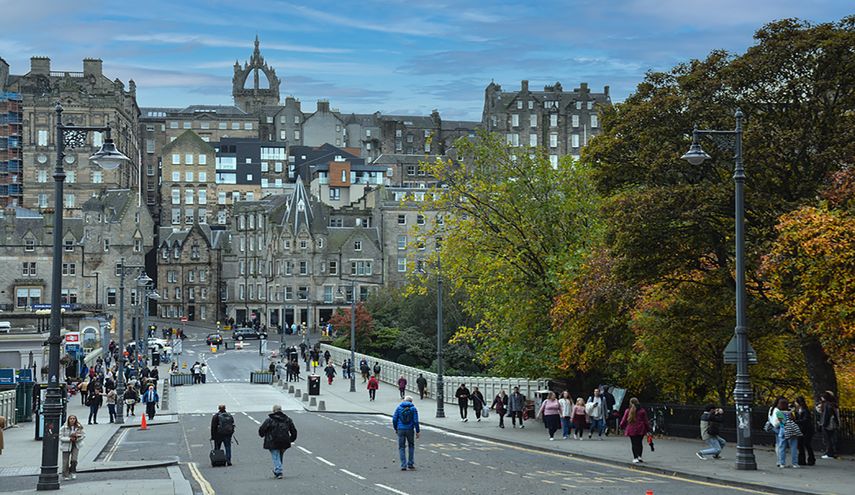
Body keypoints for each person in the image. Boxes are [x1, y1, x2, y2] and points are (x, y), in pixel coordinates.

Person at [258, 404, 298, 479]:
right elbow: (293, 431)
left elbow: (262, 429)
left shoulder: (269, 420)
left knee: (275, 455)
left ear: (273, 411)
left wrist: (262, 434)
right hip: (284, 441)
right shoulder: (287, 419)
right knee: (279, 455)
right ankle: (278, 470)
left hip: (272, 441)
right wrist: (291, 439)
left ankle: (278, 471)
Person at [392, 395, 421, 471]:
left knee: (401, 447)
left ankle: (403, 465)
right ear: (411, 401)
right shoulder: (413, 409)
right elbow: (416, 421)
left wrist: (396, 428)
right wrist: (417, 431)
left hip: (400, 429)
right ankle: (410, 464)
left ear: (404, 400)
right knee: (411, 446)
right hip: (410, 429)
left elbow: (394, 419)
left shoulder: (399, 408)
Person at [770, 397, 799, 468]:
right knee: (794, 447)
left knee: (782, 447)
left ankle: (782, 463)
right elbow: (794, 420)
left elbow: (782, 423)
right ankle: (795, 463)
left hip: (783, 430)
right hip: (792, 430)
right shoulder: (790, 412)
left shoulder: (779, 412)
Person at [619, 397, 650, 463]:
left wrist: (621, 426)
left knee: (634, 443)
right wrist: (648, 429)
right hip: (640, 429)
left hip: (631, 429)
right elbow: (646, 421)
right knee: (639, 443)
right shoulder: (642, 411)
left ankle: (635, 457)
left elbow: (624, 420)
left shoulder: (628, 410)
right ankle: (640, 456)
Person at [59, 415, 85, 480]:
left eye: (74, 419)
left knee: (74, 460)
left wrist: (77, 438)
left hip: (76, 445)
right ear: (68, 420)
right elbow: (60, 437)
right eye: (71, 419)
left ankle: (73, 472)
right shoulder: (64, 428)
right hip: (66, 446)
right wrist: (69, 439)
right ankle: (65, 475)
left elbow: (83, 435)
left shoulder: (79, 427)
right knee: (65, 461)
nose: (72, 420)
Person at [817, 391, 839, 459]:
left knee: (827, 439)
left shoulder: (826, 405)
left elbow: (826, 415)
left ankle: (829, 453)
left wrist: (823, 423)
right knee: (831, 438)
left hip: (826, 424)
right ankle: (831, 452)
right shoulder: (833, 404)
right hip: (833, 424)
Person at [794, 396, 815, 466]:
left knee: (807, 444)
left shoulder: (805, 410)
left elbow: (806, 420)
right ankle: (801, 459)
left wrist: (796, 421)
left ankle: (811, 459)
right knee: (800, 444)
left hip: (807, 430)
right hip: (801, 429)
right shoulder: (798, 410)